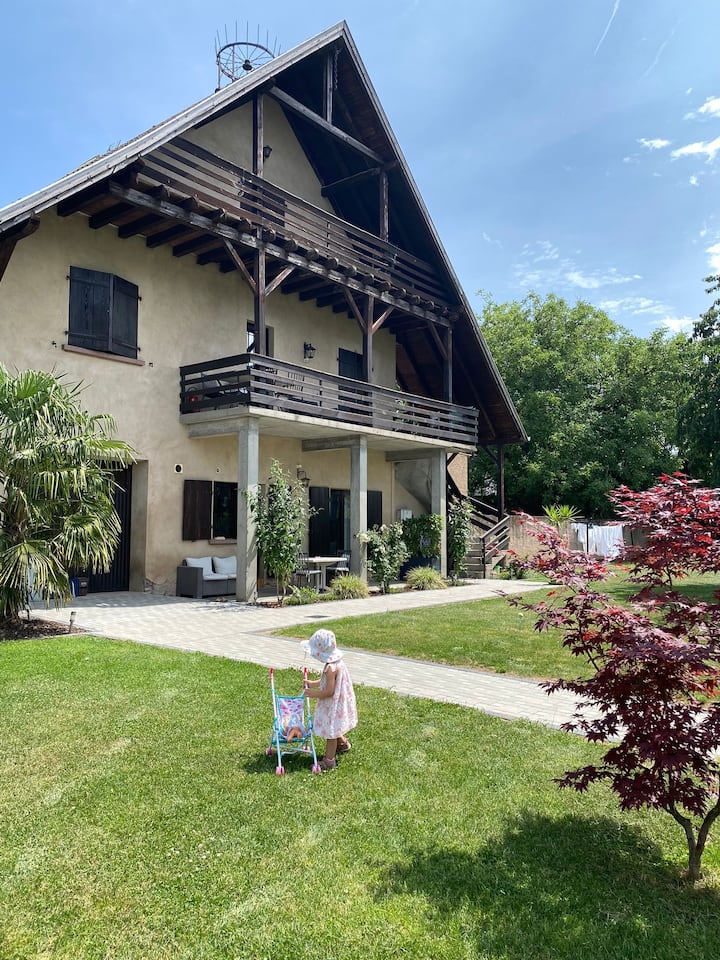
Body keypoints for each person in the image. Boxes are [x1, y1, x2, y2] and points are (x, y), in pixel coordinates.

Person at [301, 629, 357, 771]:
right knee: (335, 725)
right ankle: (342, 744)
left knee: (331, 731)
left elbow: (329, 691)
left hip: (333, 703)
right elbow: (326, 682)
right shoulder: (337, 663)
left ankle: (329, 761)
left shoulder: (330, 668)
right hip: (340, 701)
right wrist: (312, 683)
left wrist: (312, 693)